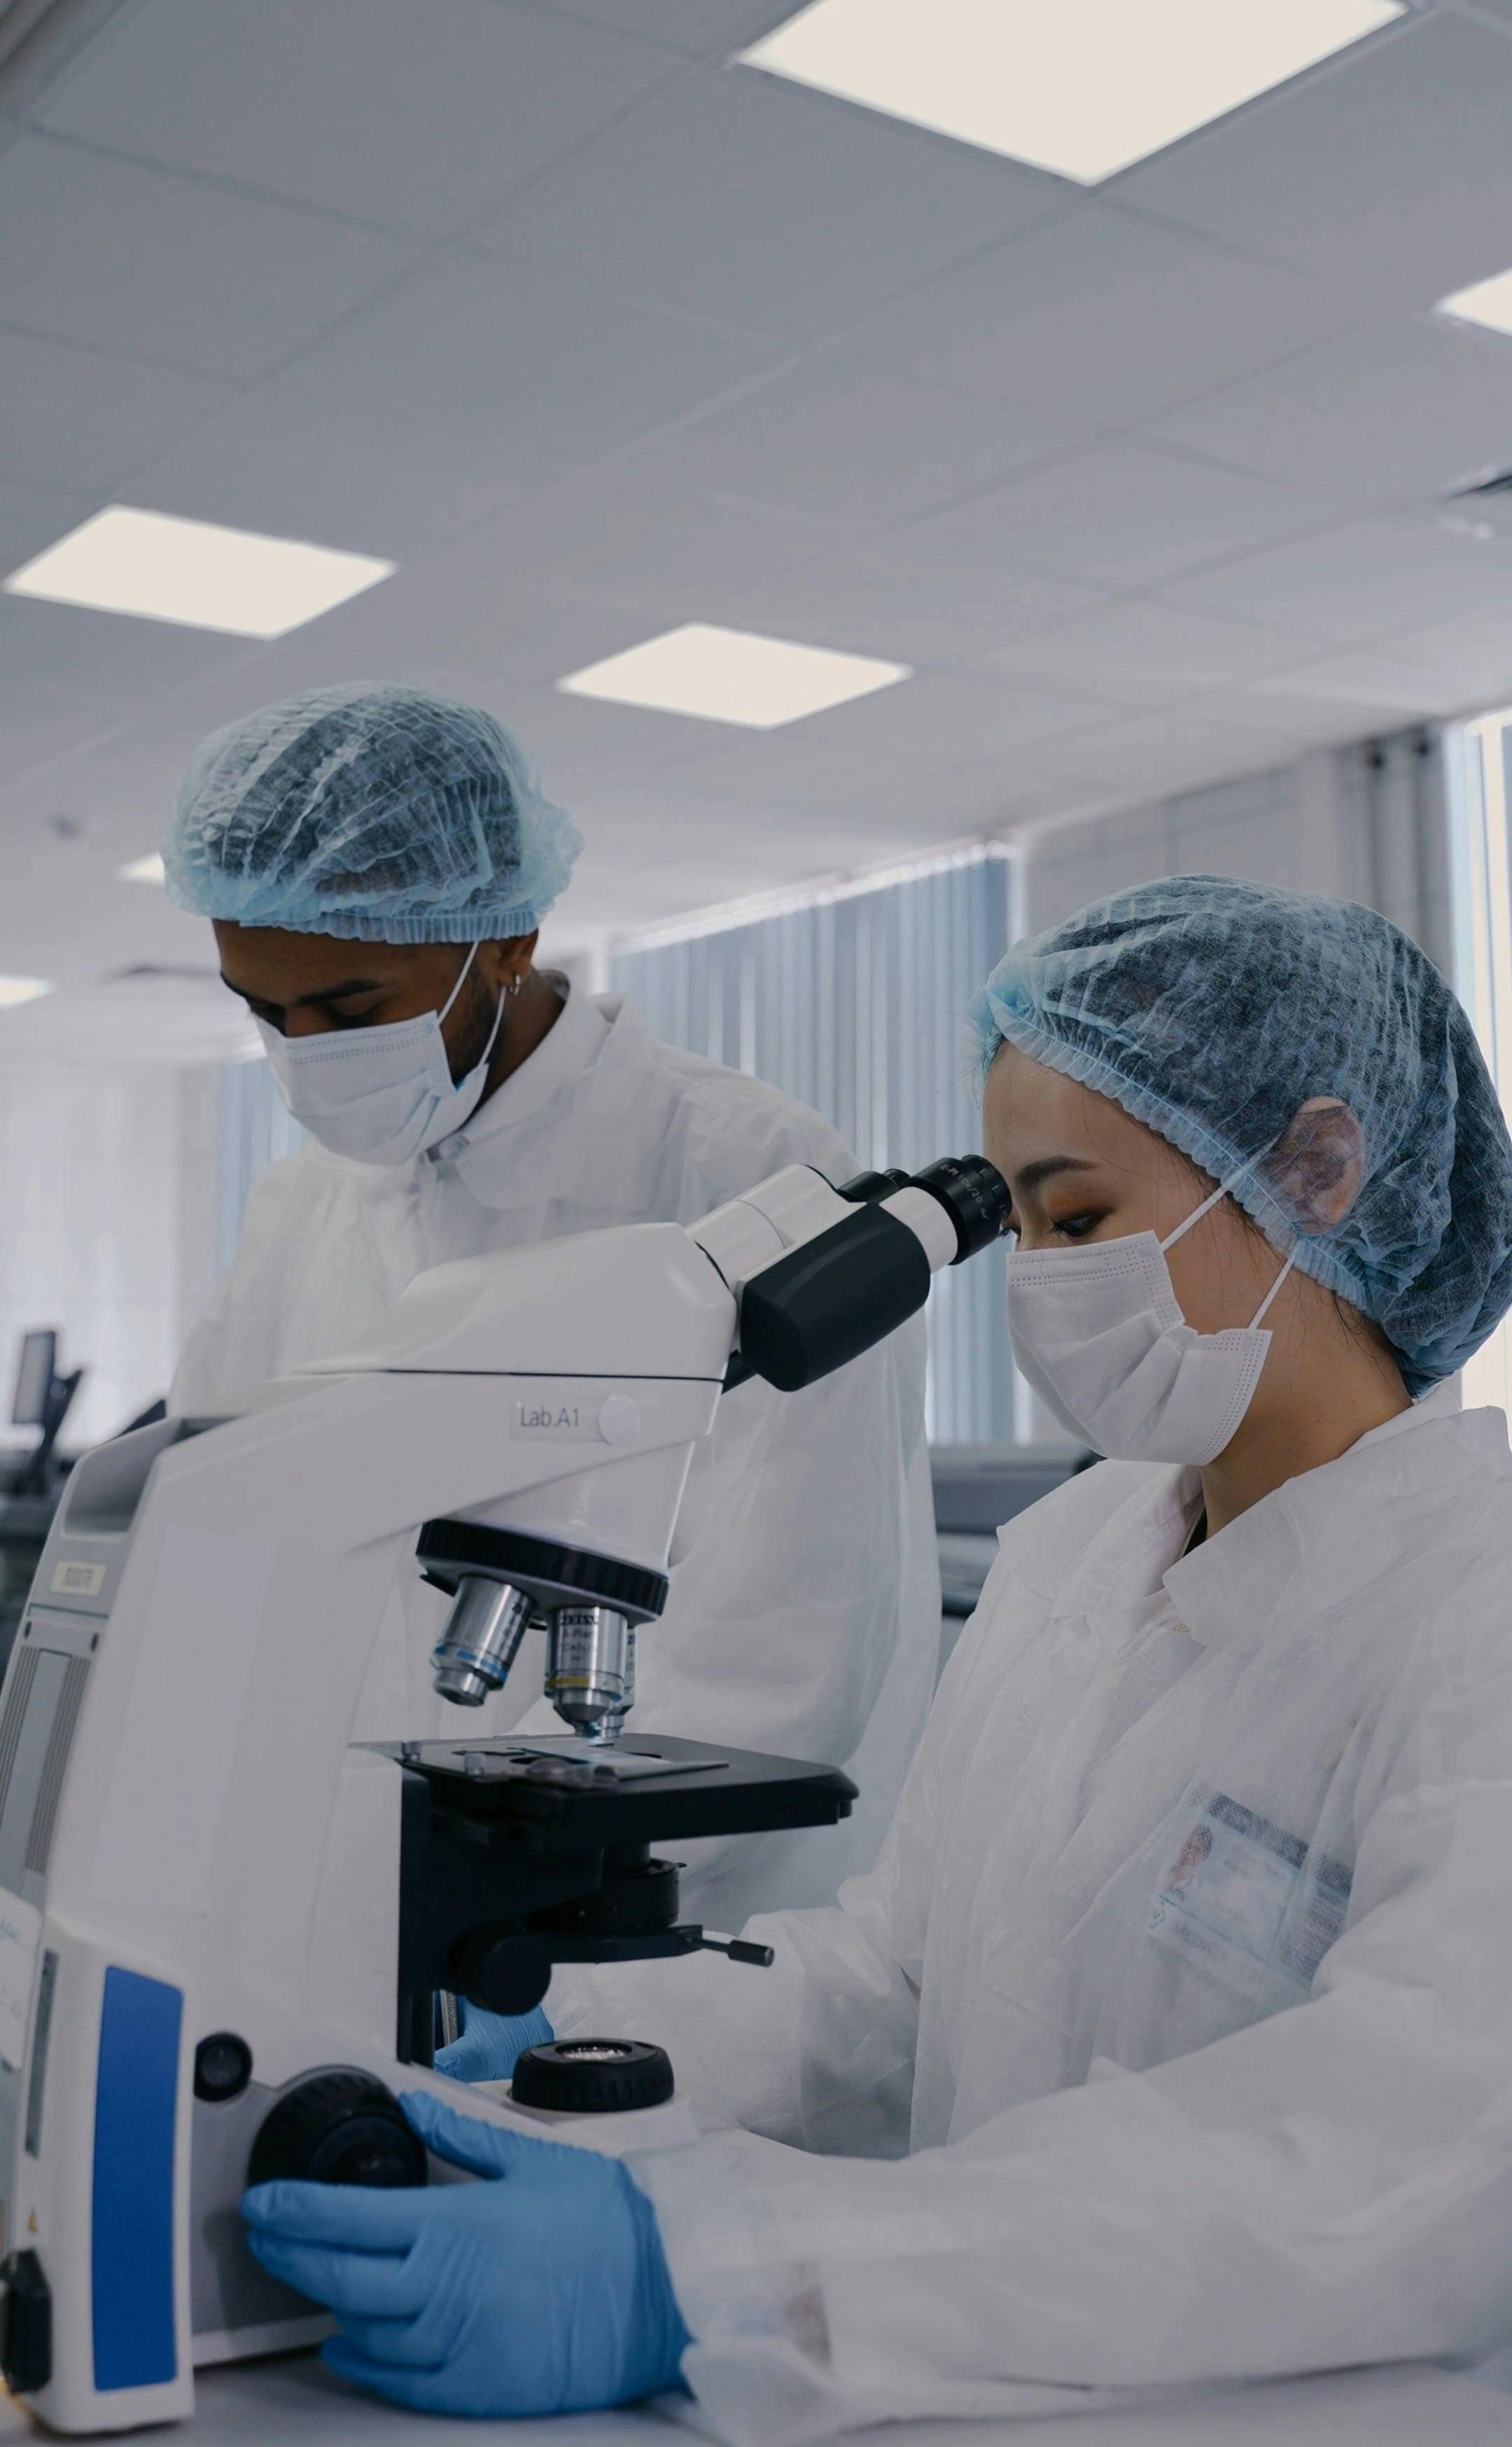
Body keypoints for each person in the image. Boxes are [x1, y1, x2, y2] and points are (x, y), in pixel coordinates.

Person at [244, 875, 1512, 2435]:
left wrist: (725, 2276)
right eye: (1024, 1226)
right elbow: (893, 1984)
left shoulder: (1476, 1606)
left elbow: (1392, 2163)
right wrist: (548, 2050)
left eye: (1084, 1217)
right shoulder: (1075, 1561)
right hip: (993, 2386)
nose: (1041, 1280)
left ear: (1318, 1168)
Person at [164, 681, 937, 1923]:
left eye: (353, 1009)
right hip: (332, 1888)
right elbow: (217, 1530)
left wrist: (496, 1892)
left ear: (507, 942)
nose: (306, 1056)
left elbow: (791, 1635)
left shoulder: (747, 1174)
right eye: (266, 1013)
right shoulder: (303, 1204)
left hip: (635, 1917)